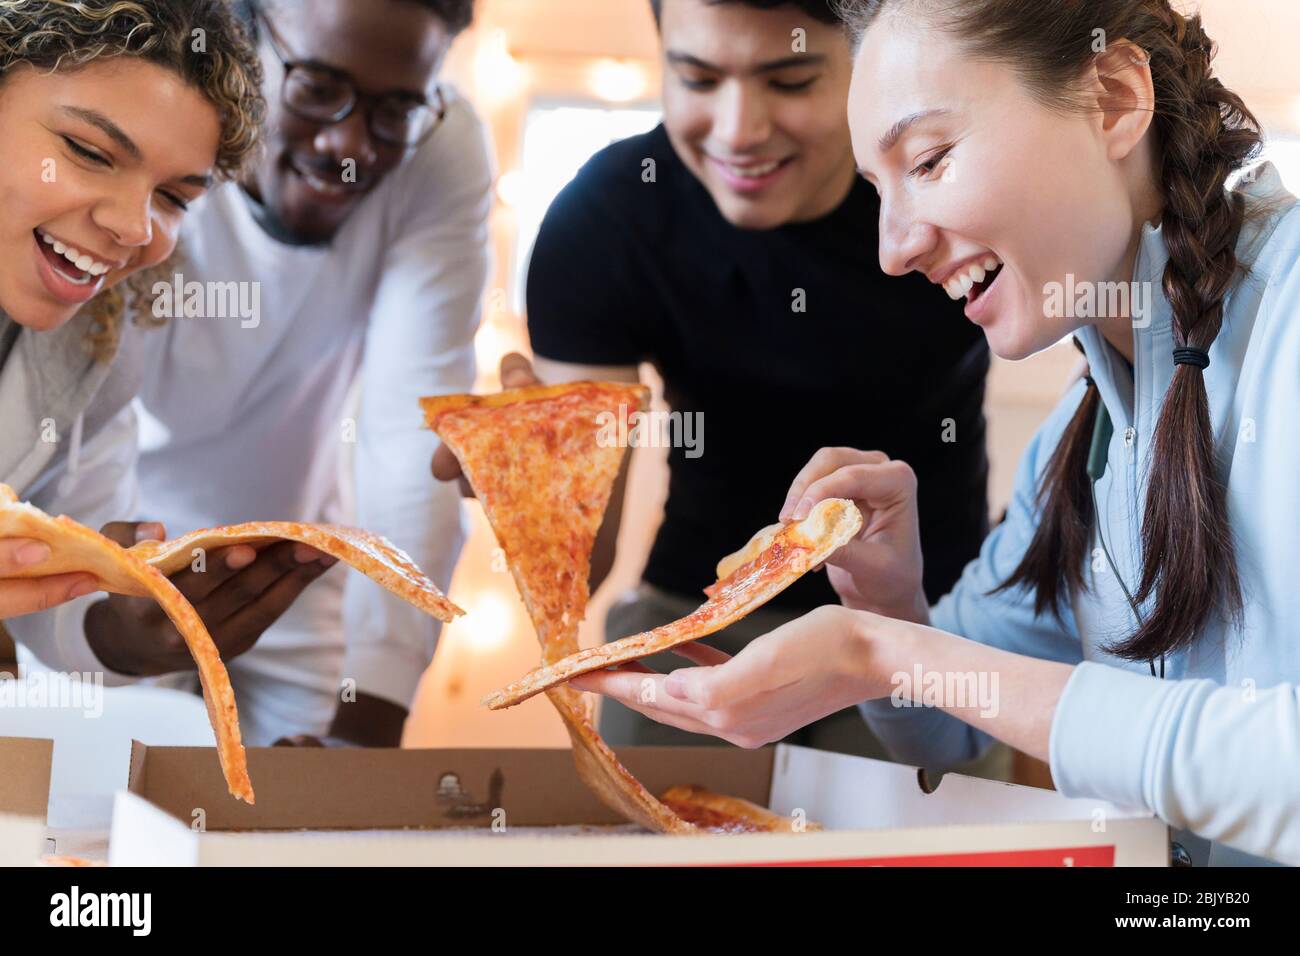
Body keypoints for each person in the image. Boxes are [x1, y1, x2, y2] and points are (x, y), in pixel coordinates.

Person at [573, 0, 1300, 866]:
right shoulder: (1083, 435)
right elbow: (942, 731)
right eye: (879, 192)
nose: (893, 249)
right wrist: (887, 604)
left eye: (930, 159)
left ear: (1112, 97)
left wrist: (880, 650)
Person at [435, 0, 994, 764]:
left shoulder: (950, 200)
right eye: (697, 78)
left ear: (869, 59)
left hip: (931, 620)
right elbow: (579, 570)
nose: (738, 130)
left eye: (791, 80)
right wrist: (534, 491)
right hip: (694, 617)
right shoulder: (605, 221)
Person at [15, 0, 492, 748]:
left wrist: (368, 723)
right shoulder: (135, 125)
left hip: (279, 568)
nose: (348, 143)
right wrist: (99, 619)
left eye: (176, 197)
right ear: (240, 34)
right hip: (119, 552)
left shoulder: (90, 325)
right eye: (315, 87)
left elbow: (407, 437)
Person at [0, 1, 272, 628]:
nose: (133, 227)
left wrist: (125, 629)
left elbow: (53, 578)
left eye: (173, 196)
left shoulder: (101, 345)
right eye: (89, 152)